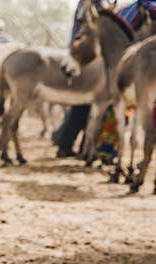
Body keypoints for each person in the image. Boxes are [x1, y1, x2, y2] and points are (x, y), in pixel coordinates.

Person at [53, 0, 112, 158]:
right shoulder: (90, 4)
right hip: (88, 57)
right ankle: (65, 142)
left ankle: (80, 146)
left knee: (88, 105)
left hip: (89, 55)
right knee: (84, 105)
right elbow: (87, 29)